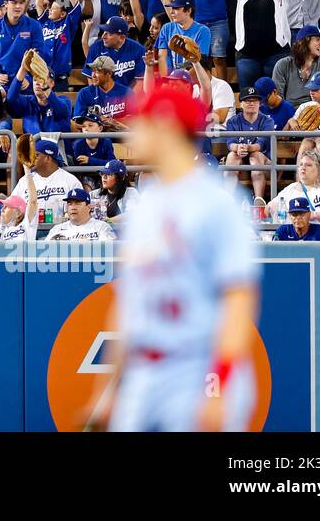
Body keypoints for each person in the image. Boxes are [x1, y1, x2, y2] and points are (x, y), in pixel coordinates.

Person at [89, 80, 261, 432]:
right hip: (145, 371)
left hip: (198, 366)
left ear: (165, 126)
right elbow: (128, 306)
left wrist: (220, 385)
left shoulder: (216, 204)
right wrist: (109, 390)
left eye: (141, 122)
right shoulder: (145, 205)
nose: (131, 131)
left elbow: (239, 302)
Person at [17, 138, 84, 224]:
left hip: (60, 232)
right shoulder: (24, 181)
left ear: (48, 158)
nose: (31, 159)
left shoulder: (70, 181)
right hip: (30, 232)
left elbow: (80, 212)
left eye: (36, 155)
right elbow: (13, 206)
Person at [46, 186, 117, 240]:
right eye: (70, 203)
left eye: (77, 203)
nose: (73, 207)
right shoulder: (56, 230)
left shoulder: (102, 227)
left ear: (88, 207)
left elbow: (109, 253)